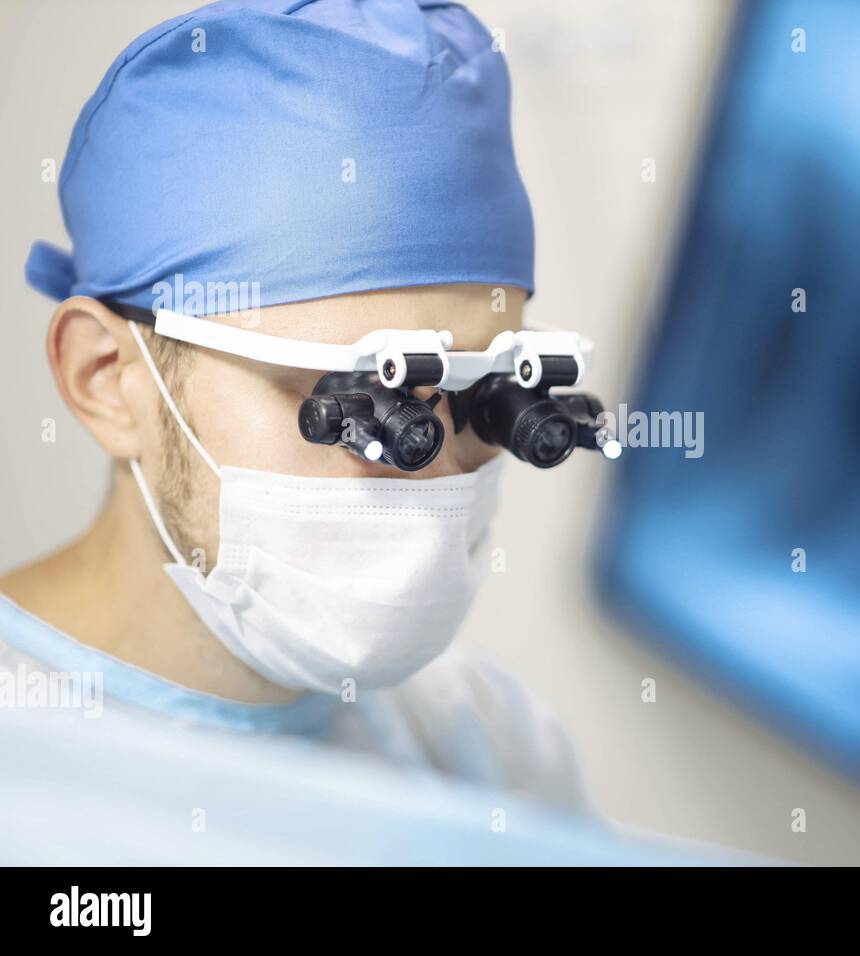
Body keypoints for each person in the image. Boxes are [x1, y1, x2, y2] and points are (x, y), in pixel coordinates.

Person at [0, 0, 592, 814]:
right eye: (362, 400)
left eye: (487, 401)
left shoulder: (486, 745)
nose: (434, 480)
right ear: (108, 377)